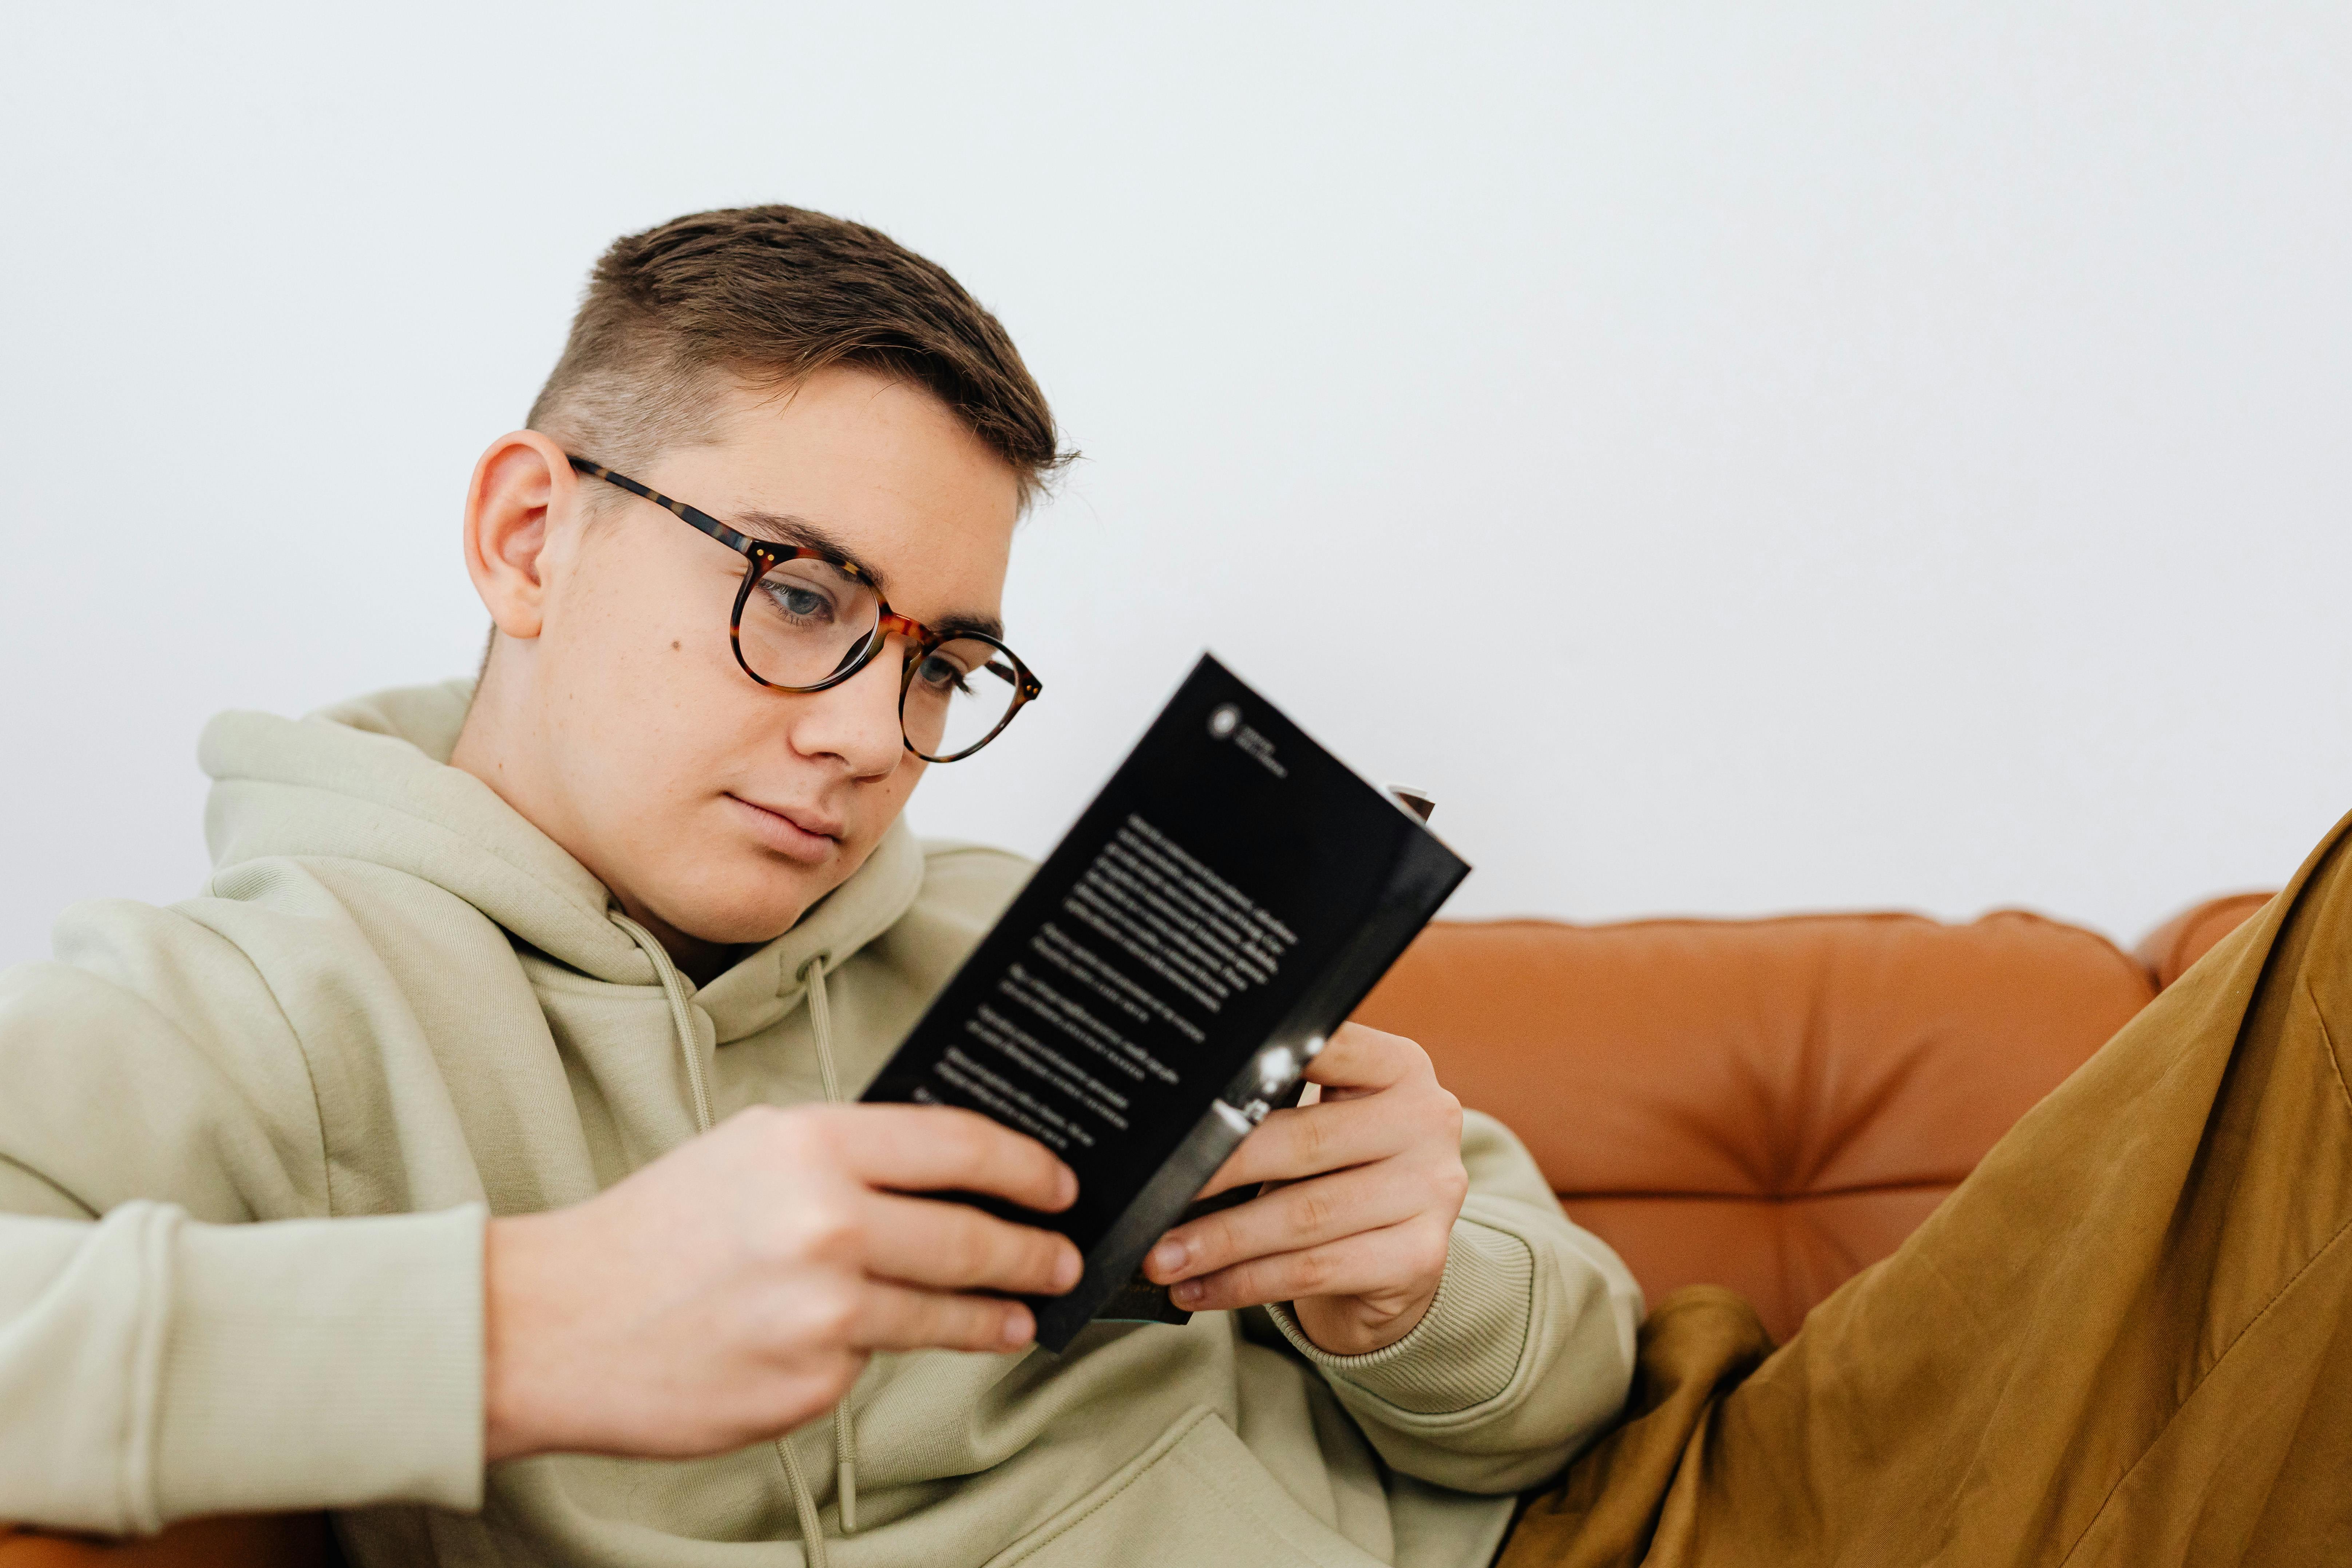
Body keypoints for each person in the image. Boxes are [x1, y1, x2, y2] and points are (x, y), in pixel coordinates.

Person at [0, 205, 1642, 1568]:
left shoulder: (1014, 926)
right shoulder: (266, 1006)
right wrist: (532, 1317)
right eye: (797, 595)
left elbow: (1587, 1384)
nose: (870, 737)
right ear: (527, 538)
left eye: (943, 666)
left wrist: (1411, 1301)